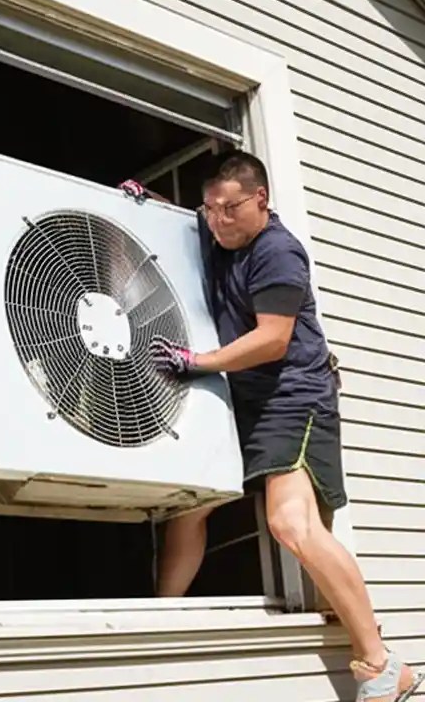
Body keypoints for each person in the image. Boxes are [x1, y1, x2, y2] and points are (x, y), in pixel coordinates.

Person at [120, 153, 423, 702]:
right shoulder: (217, 229)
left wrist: (198, 361)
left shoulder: (277, 252)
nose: (217, 220)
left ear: (260, 199)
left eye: (230, 208)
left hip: (294, 398)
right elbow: (184, 222)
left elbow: (273, 340)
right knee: (195, 502)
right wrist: (148, 203)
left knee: (290, 523)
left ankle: (382, 665)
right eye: (210, 208)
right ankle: (161, 620)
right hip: (245, 400)